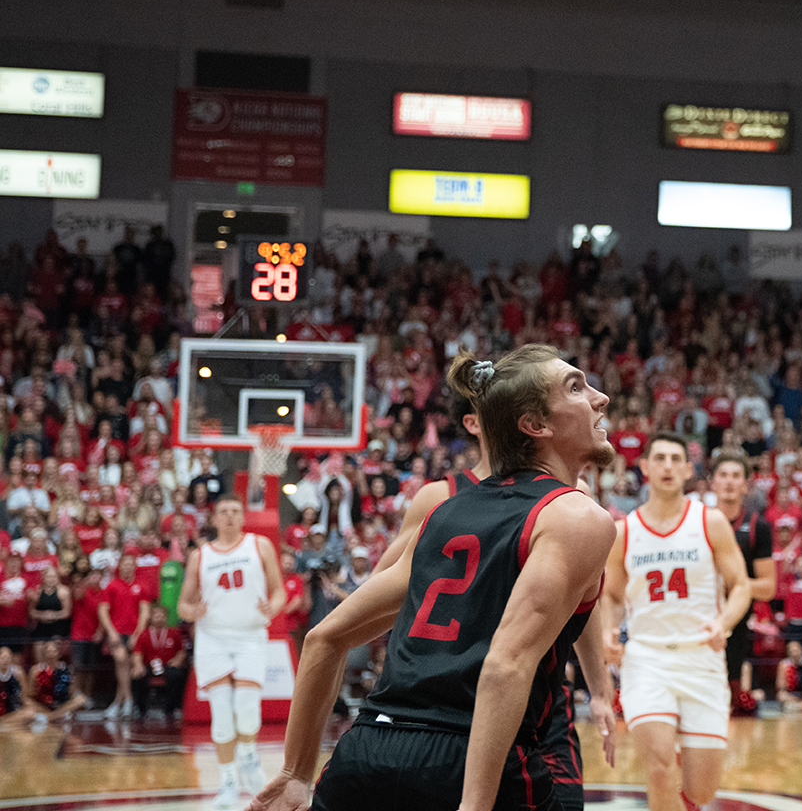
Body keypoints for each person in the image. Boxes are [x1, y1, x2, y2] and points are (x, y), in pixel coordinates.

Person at [248, 346, 618, 811]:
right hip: (472, 753)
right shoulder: (577, 516)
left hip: (367, 752)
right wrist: (475, 804)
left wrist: (295, 772)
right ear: (534, 424)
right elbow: (505, 664)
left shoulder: (444, 510)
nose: (601, 397)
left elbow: (324, 638)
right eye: (576, 387)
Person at [375, 395, 617, 811]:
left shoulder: (570, 497)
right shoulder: (440, 496)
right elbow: (386, 594)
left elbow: (583, 599)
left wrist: (599, 690)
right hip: (452, 699)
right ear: (474, 422)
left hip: (540, 699)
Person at [603, 434, 751, 810]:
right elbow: (612, 596)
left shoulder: (710, 522)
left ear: (688, 469)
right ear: (645, 467)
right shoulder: (624, 531)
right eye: (659, 458)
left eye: (675, 459)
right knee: (659, 766)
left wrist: (724, 623)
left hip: (701, 659)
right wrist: (607, 630)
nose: (667, 466)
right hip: (646, 659)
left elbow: (740, 586)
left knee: (701, 791)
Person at [178, 492, 285, 806]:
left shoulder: (259, 545)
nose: (229, 516)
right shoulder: (200, 555)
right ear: (214, 518)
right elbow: (183, 604)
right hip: (213, 638)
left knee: (248, 708)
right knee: (222, 715)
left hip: (251, 635)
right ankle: (227, 783)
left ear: (242, 516)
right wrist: (191, 612)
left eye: (235, 511)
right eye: (223, 511)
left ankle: (248, 758)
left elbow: (279, 591)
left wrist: (273, 606)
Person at [710, 450, 777, 709]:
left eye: (736, 476)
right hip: (700, 617)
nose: (729, 481)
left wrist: (735, 586)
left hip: (736, 625)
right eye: (723, 475)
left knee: (730, 702)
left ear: (746, 485)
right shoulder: (697, 522)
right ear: (712, 482)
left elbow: (768, 587)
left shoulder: (758, 526)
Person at [98, 551, 154, 721]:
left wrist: (137, 634)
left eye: (130, 564)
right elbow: (103, 611)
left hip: (134, 632)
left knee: (127, 666)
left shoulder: (142, 587)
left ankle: (118, 702)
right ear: (120, 566)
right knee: (121, 660)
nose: (127, 567)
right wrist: (111, 632)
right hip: (117, 632)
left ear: (134, 566)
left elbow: (145, 613)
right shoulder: (111, 586)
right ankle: (129, 700)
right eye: (125, 564)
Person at [130, 603, 188, 720]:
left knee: (176, 674)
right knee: (137, 676)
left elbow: (181, 652)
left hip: (168, 664)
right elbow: (137, 653)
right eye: (156, 615)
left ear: (166, 618)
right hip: (149, 665)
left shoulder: (173, 632)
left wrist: (177, 660)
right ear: (151, 617)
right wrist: (138, 666)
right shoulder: (144, 634)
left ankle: (171, 708)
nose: (159, 618)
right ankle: (140, 709)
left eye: (162, 615)